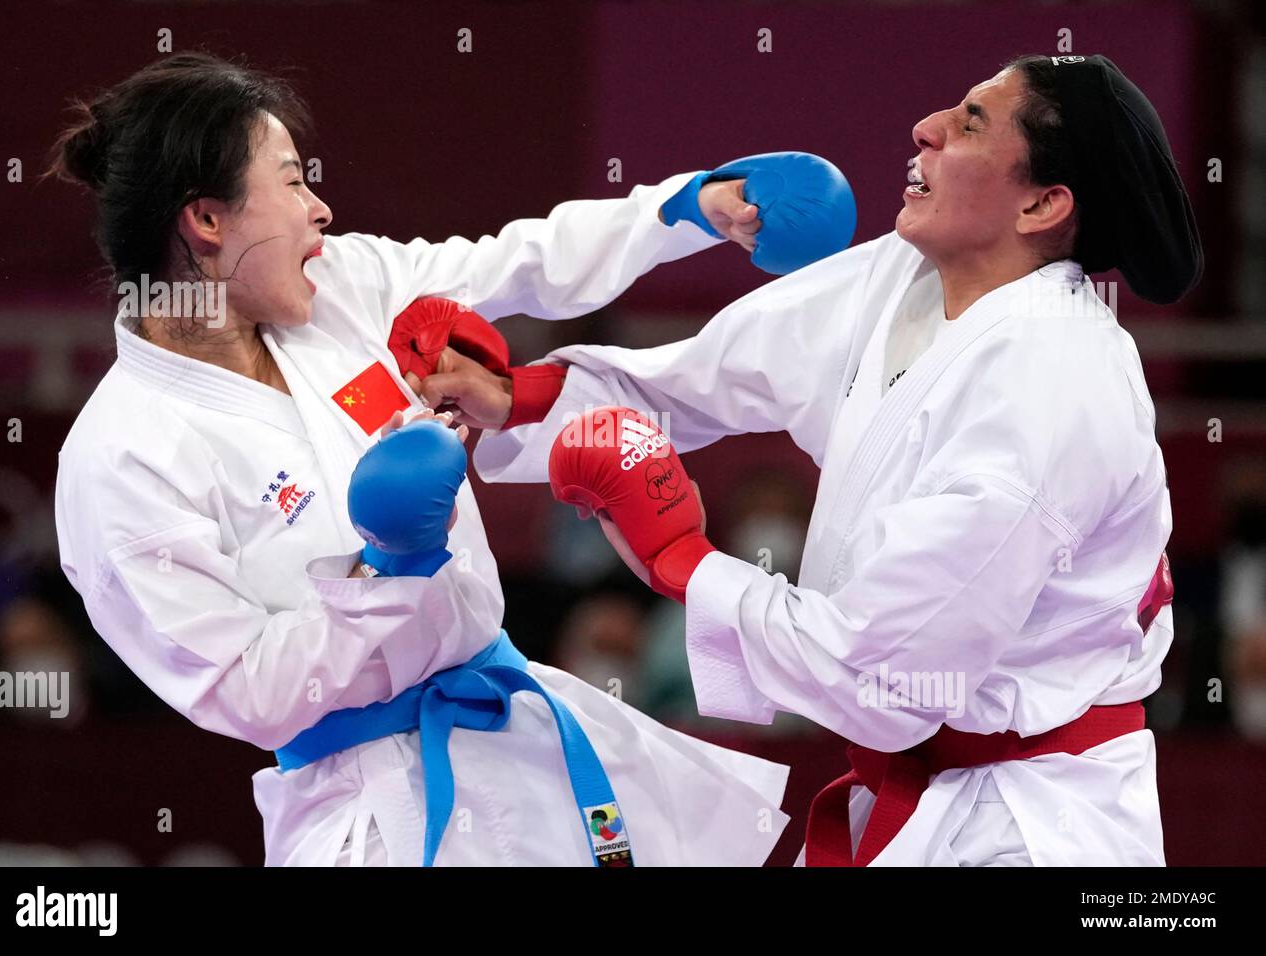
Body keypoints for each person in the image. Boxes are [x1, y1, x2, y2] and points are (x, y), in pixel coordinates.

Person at [47, 50, 858, 865]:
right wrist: (387, 568)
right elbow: (245, 689)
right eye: (291, 183)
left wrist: (684, 210)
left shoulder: (337, 289)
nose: (320, 208)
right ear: (207, 221)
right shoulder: (122, 458)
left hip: (519, 734)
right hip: (368, 812)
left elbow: (516, 259)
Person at [419, 54, 1202, 865]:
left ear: (1041, 204)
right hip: (916, 785)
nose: (925, 128)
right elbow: (702, 379)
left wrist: (684, 561)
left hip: (1033, 823)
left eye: (970, 123)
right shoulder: (907, 273)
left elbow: (889, 682)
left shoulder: (1052, 390)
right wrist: (514, 396)